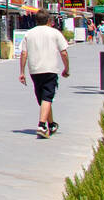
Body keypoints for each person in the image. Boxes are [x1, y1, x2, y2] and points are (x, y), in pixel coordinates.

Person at [18, 10, 69, 139]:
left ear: (36, 20)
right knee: (47, 97)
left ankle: (51, 124)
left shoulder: (29, 34)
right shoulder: (54, 32)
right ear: (49, 21)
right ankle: (41, 125)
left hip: (35, 70)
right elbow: (63, 52)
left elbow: (24, 54)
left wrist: (22, 72)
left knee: (44, 98)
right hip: (50, 69)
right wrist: (66, 68)